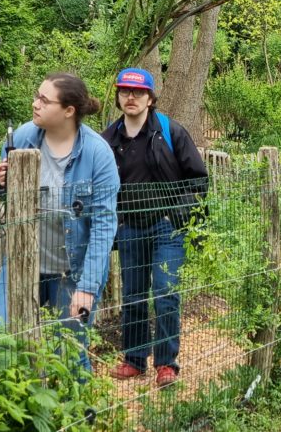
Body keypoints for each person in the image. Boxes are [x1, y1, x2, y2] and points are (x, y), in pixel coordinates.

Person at [0, 72, 119, 375]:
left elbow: (104, 226)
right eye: (37, 95)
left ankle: (78, 419)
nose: (35, 104)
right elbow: (3, 192)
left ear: (69, 111)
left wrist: (87, 287)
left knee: (69, 355)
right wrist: (1, 182)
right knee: (1, 343)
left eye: (43, 100)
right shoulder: (22, 137)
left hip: (70, 272)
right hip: (23, 263)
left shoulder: (97, 154)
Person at [101, 68, 208, 388]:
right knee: (133, 295)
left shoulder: (170, 131)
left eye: (137, 93)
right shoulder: (109, 138)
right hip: (131, 226)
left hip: (167, 228)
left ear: (150, 98)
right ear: (119, 97)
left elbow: (199, 178)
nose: (130, 97)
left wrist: (177, 211)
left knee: (164, 291)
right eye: (124, 92)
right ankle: (134, 360)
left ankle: (166, 363)